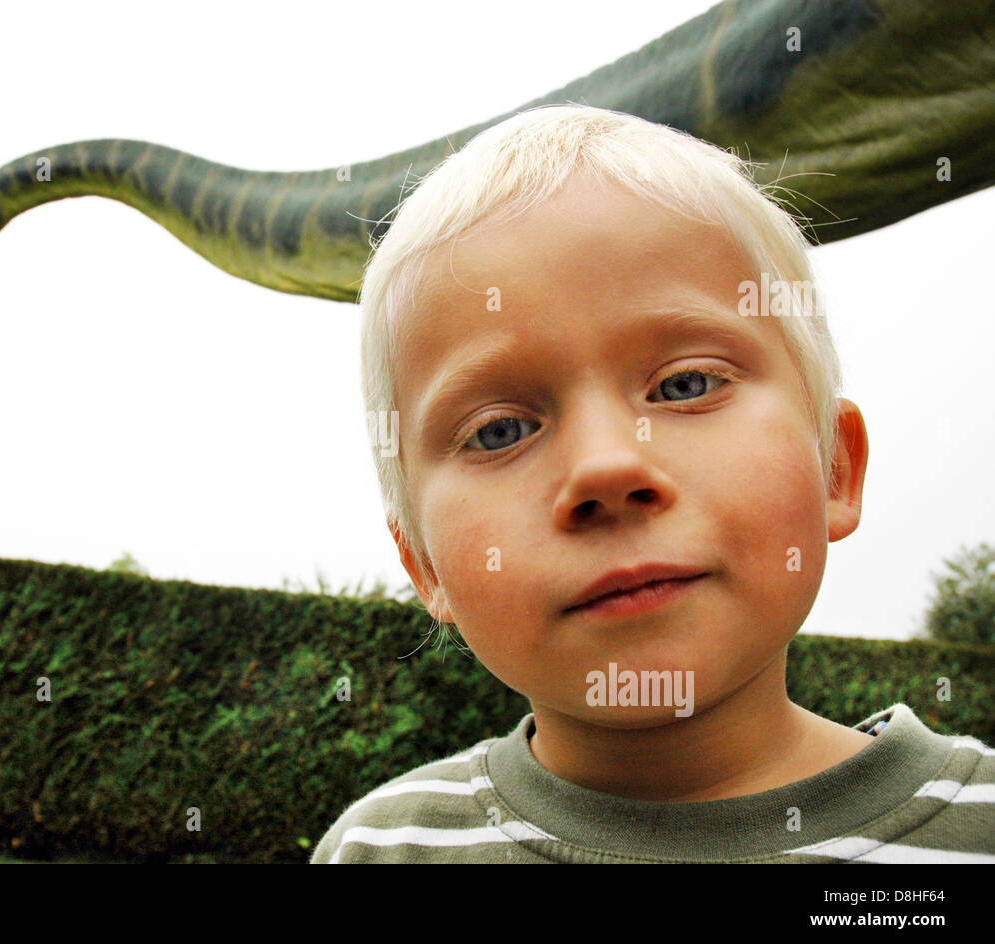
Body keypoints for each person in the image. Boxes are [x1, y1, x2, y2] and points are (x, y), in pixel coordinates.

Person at [311, 105, 995, 863]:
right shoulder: (382, 849)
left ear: (834, 465)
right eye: (500, 430)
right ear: (426, 566)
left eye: (685, 384)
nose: (607, 467)